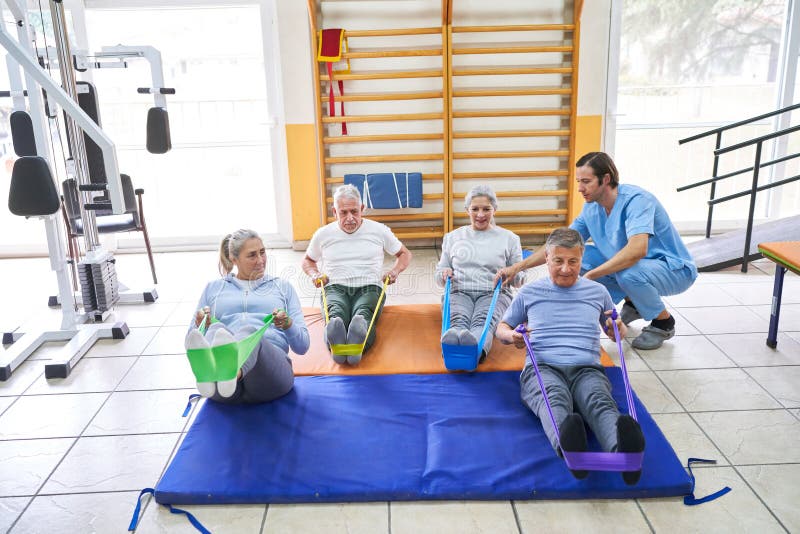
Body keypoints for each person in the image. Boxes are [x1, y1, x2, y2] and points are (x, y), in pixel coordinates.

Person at [497, 151, 697, 350]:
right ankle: (635, 302)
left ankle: (663, 323)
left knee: (628, 273)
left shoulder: (638, 201)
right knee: (579, 259)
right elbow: (558, 246)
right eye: (578, 181)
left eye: (586, 181)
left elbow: (637, 250)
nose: (580, 188)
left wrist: (592, 276)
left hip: (674, 269)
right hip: (637, 269)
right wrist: (516, 267)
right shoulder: (591, 208)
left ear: (606, 179)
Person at [495, 228, 645, 484]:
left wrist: (616, 329)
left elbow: (614, 330)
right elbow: (501, 328)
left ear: (581, 259)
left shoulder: (598, 292)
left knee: (599, 401)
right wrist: (513, 337)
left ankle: (623, 452)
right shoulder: (530, 292)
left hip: (587, 367)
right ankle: (572, 451)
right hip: (543, 367)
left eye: (573, 262)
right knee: (553, 400)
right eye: (558, 261)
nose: (565, 269)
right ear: (548, 259)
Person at [185, 229, 309, 403]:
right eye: (252, 255)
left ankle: (231, 372)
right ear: (234, 259)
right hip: (226, 391)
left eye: (262, 252)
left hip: (269, 377)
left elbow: (303, 346)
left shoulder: (282, 287)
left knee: (250, 331)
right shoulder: (213, 288)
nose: (260, 261)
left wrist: (288, 324)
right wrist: (202, 326)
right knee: (215, 328)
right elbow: (191, 341)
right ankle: (218, 374)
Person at [302, 184, 412, 365]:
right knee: (336, 314)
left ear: (362, 209)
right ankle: (337, 346)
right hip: (335, 286)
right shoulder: (323, 234)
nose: (350, 218)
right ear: (334, 211)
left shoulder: (379, 230)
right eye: (343, 213)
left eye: (354, 211)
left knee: (363, 315)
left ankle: (356, 348)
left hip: (369, 286)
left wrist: (394, 271)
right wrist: (315, 274)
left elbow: (404, 254)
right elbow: (307, 260)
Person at [435, 184, 524, 360]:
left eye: (486, 209)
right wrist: (444, 273)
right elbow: (439, 277)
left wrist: (511, 274)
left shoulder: (510, 238)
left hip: (494, 293)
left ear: (495, 210)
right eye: (475, 209)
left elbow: (520, 280)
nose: (481, 215)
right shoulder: (452, 237)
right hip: (460, 290)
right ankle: (453, 346)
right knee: (458, 319)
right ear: (467, 209)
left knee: (483, 321)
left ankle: (475, 351)